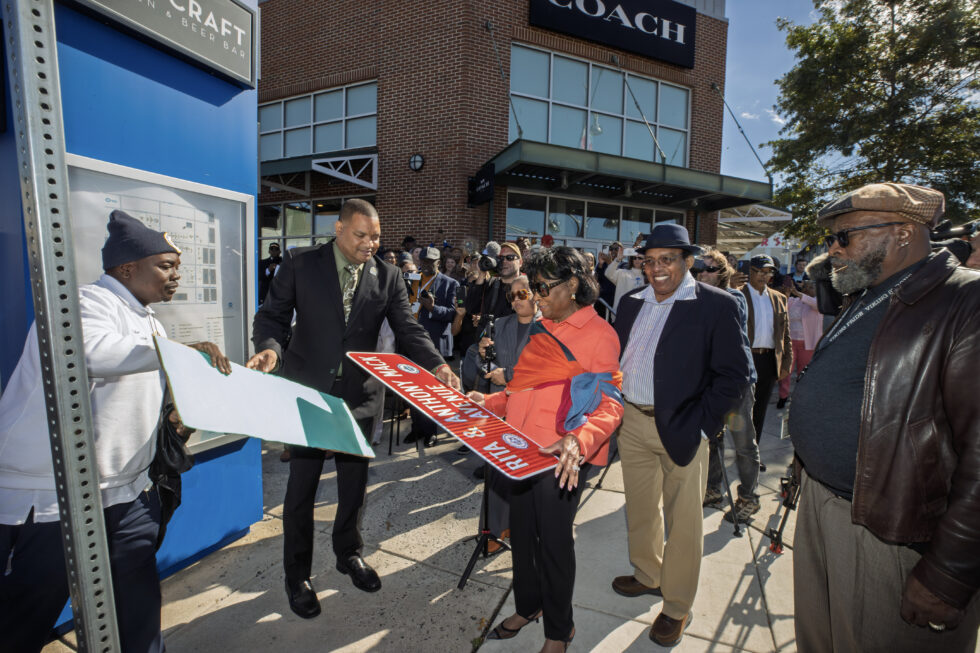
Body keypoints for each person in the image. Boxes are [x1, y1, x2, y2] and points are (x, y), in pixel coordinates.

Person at [0, 211, 231, 653]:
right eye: (166, 265)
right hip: (54, 500)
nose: (176, 275)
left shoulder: (150, 320)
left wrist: (179, 413)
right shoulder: (84, 303)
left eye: (177, 267)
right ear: (127, 268)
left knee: (138, 615)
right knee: (25, 616)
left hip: (127, 495)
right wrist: (177, 353)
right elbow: (90, 353)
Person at [789, 182, 980, 651]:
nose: (833, 250)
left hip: (893, 533)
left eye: (844, 237)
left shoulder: (965, 301)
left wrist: (949, 571)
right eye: (830, 239)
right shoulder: (869, 292)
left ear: (903, 233)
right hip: (823, 505)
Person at [248, 199, 460, 619]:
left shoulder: (389, 275)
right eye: (362, 235)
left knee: (353, 485)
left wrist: (437, 364)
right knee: (301, 488)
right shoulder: (300, 263)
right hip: (309, 391)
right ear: (339, 228)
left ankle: (348, 553)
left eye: (376, 236)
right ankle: (297, 575)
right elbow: (272, 318)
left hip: (360, 396)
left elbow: (407, 328)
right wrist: (270, 350)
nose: (370, 243)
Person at [471, 248, 623, 653]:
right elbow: (520, 388)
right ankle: (528, 606)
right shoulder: (542, 326)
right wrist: (487, 404)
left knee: (554, 545)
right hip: (521, 450)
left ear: (572, 285)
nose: (536, 296)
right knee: (522, 537)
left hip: (560, 457)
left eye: (542, 288)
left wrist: (579, 440)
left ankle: (559, 630)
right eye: (534, 288)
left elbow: (611, 404)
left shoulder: (599, 334)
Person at [610, 224, 749, 647]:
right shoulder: (631, 302)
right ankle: (648, 574)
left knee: (684, 521)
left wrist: (705, 424)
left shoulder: (717, 304)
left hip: (685, 424)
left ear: (688, 261)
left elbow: (735, 375)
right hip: (632, 421)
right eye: (650, 261)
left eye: (667, 259)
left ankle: (676, 606)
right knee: (640, 508)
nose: (657, 268)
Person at [459, 275, 538, 551]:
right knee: (497, 474)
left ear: (536, 294)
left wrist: (511, 375)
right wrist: (483, 356)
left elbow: (547, 370)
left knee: (528, 475)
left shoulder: (549, 328)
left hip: (534, 411)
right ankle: (494, 532)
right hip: (499, 406)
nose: (516, 300)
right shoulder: (500, 324)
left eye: (522, 294)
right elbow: (483, 366)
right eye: (511, 296)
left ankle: (521, 527)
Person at [697, 249, 761, 523]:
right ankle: (713, 489)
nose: (702, 274)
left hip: (737, 384)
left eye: (709, 269)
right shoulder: (698, 297)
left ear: (723, 273)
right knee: (713, 438)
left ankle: (749, 497)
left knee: (743, 442)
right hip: (712, 382)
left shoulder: (734, 297)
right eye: (699, 269)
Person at [740, 254, 792, 470]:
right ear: (750, 271)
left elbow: (785, 334)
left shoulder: (779, 298)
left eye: (768, 272)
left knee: (760, 410)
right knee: (741, 410)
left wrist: (786, 362)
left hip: (769, 360)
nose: (764, 276)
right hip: (745, 359)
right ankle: (739, 451)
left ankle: (753, 455)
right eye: (759, 271)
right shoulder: (738, 295)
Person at [404, 247, 459, 446]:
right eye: (424, 261)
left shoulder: (450, 283)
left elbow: (452, 313)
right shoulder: (412, 278)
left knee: (431, 389)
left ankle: (430, 431)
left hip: (433, 342)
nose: (426, 265)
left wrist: (432, 308)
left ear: (439, 263)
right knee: (412, 386)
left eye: (431, 262)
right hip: (411, 340)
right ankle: (416, 428)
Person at [775, 280, 822, 409]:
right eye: (806, 286)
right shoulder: (794, 301)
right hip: (790, 342)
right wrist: (787, 294)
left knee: (803, 373)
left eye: (812, 287)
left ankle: (800, 397)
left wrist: (798, 293)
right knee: (786, 370)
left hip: (808, 344)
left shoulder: (818, 302)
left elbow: (815, 305)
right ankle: (783, 396)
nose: (808, 289)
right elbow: (781, 308)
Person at [463, 241, 521, 330]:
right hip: (489, 338)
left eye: (510, 257)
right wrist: (482, 273)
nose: (504, 261)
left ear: (520, 262)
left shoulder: (528, 286)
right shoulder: (491, 284)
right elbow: (471, 308)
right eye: (501, 258)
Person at [603, 246, 646, 315]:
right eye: (634, 258)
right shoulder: (622, 272)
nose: (637, 260)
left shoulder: (648, 276)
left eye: (640, 258)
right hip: (621, 313)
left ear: (645, 260)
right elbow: (608, 274)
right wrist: (617, 259)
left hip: (639, 314)